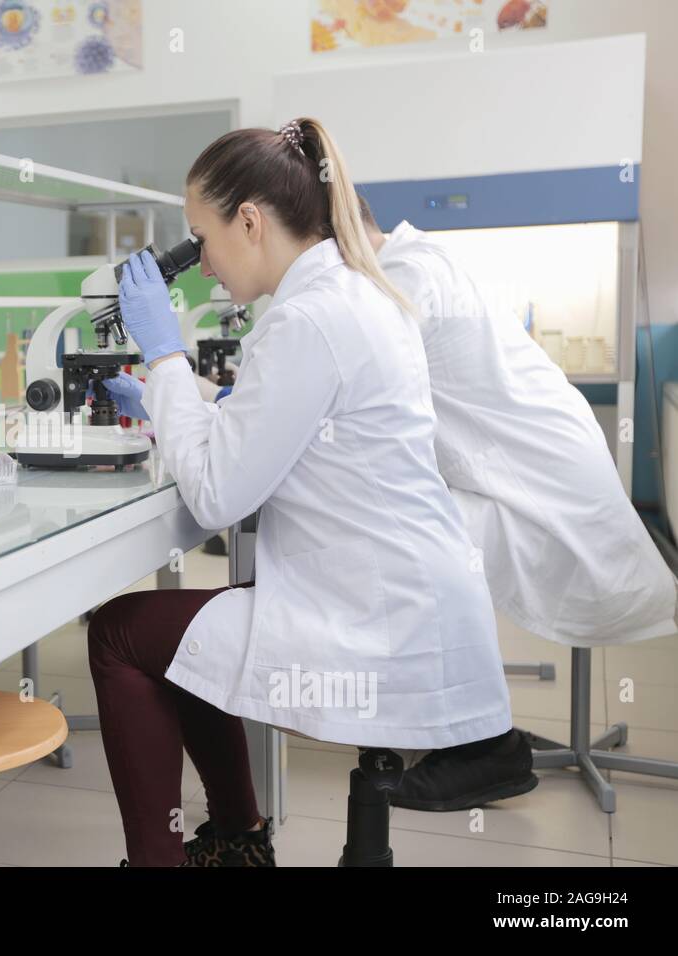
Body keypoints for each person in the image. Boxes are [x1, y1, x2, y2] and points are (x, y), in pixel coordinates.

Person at [89, 118, 511, 867]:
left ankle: (183, 854)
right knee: (185, 640)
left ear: (249, 221)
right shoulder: (348, 295)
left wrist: (164, 357)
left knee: (121, 634)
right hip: (403, 601)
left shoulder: (309, 318)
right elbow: (289, 422)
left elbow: (218, 493)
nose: (205, 266)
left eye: (201, 238)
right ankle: (240, 839)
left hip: (373, 627)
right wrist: (172, 396)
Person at [353, 198, 678, 810]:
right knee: (421, 534)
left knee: (419, 547)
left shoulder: (407, 277)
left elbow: (367, 397)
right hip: (540, 466)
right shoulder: (415, 257)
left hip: (544, 491)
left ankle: (480, 742)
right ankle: (468, 727)